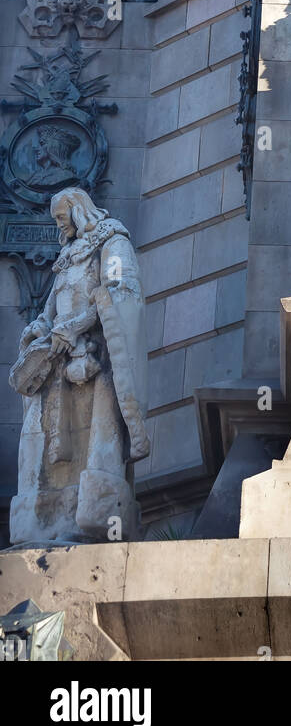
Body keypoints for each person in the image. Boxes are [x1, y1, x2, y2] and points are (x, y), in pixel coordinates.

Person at [9, 187, 148, 544]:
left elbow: (120, 291)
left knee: (93, 444)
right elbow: (51, 308)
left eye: (61, 217)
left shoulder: (112, 241)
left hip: (95, 361)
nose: (58, 224)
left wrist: (76, 326)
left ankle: (93, 522)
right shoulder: (68, 255)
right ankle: (46, 526)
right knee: (45, 453)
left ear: (78, 211)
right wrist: (39, 328)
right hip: (57, 365)